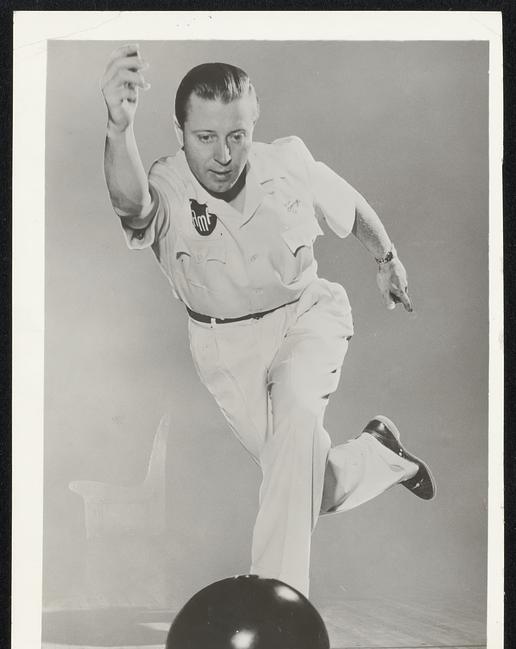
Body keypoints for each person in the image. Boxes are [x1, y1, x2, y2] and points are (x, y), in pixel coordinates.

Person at [101, 44, 436, 598]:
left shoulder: (287, 162)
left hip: (306, 316)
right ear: (179, 131)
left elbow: (349, 207)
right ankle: (382, 454)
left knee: (298, 421)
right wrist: (118, 130)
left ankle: (277, 605)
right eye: (205, 137)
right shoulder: (163, 183)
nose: (224, 154)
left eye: (237, 135)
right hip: (223, 347)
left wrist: (387, 259)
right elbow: (132, 206)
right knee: (305, 482)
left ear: (252, 124)